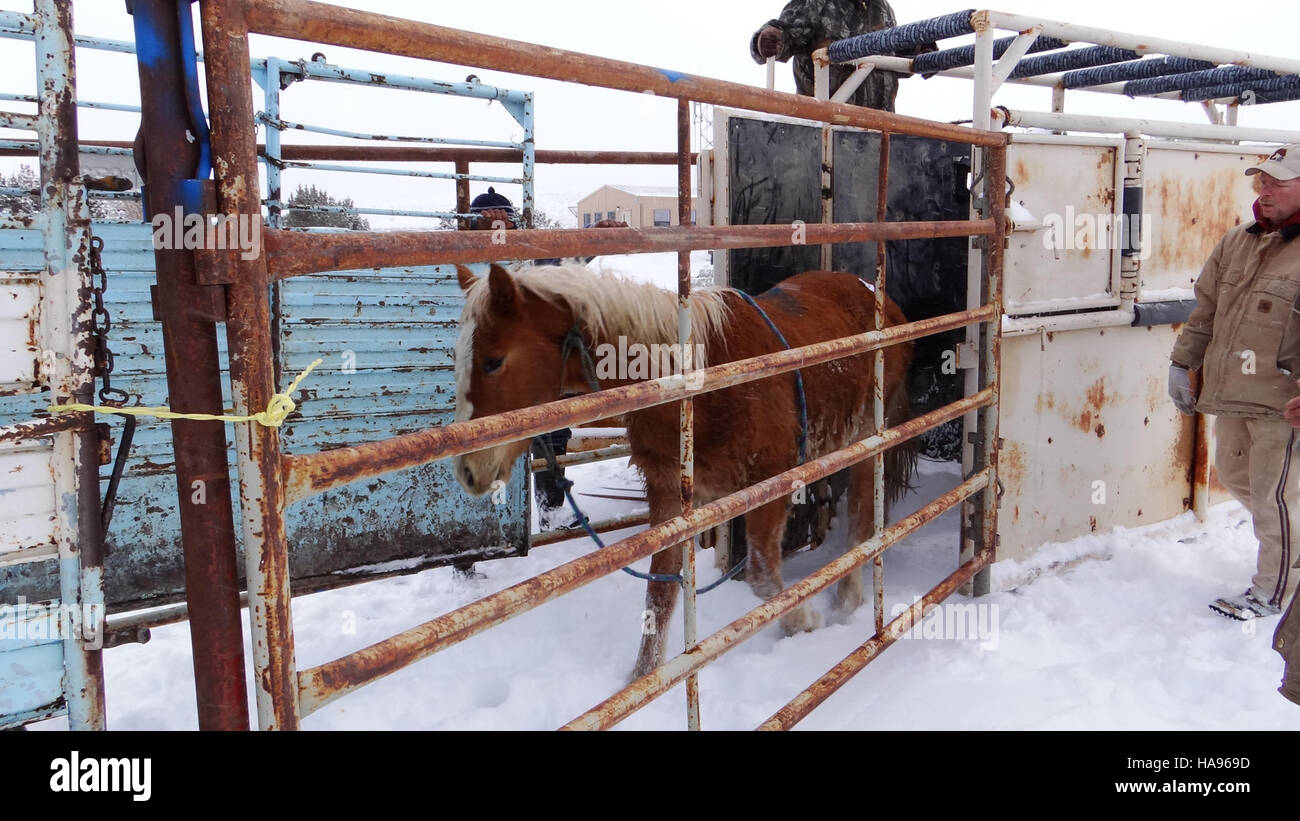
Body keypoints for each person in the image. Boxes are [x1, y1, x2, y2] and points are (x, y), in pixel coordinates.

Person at [1169, 144, 1300, 622]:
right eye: (1261, 181)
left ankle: (1273, 594)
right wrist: (1182, 364)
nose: (1265, 191)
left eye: (1278, 182)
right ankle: (1292, 553)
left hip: (1285, 403)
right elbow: (1205, 310)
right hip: (1233, 395)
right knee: (1240, 481)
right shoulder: (1237, 240)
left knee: (1275, 499)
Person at [462, 187, 628, 515]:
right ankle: (484, 528)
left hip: (531, 371)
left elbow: (565, 262)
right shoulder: (463, 258)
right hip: (488, 374)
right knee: (484, 440)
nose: (499, 225)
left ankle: (550, 509)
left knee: (551, 434)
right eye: (490, 219)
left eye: (505, 219)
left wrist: (593, 237)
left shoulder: (529, 258)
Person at [750, 0, 931, 111]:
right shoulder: (817, 4)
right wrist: (766, 39)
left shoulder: (883, 9)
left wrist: (924, 53)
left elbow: (896, 54)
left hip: (880, 132)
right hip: (826, 131)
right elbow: (784, 34)